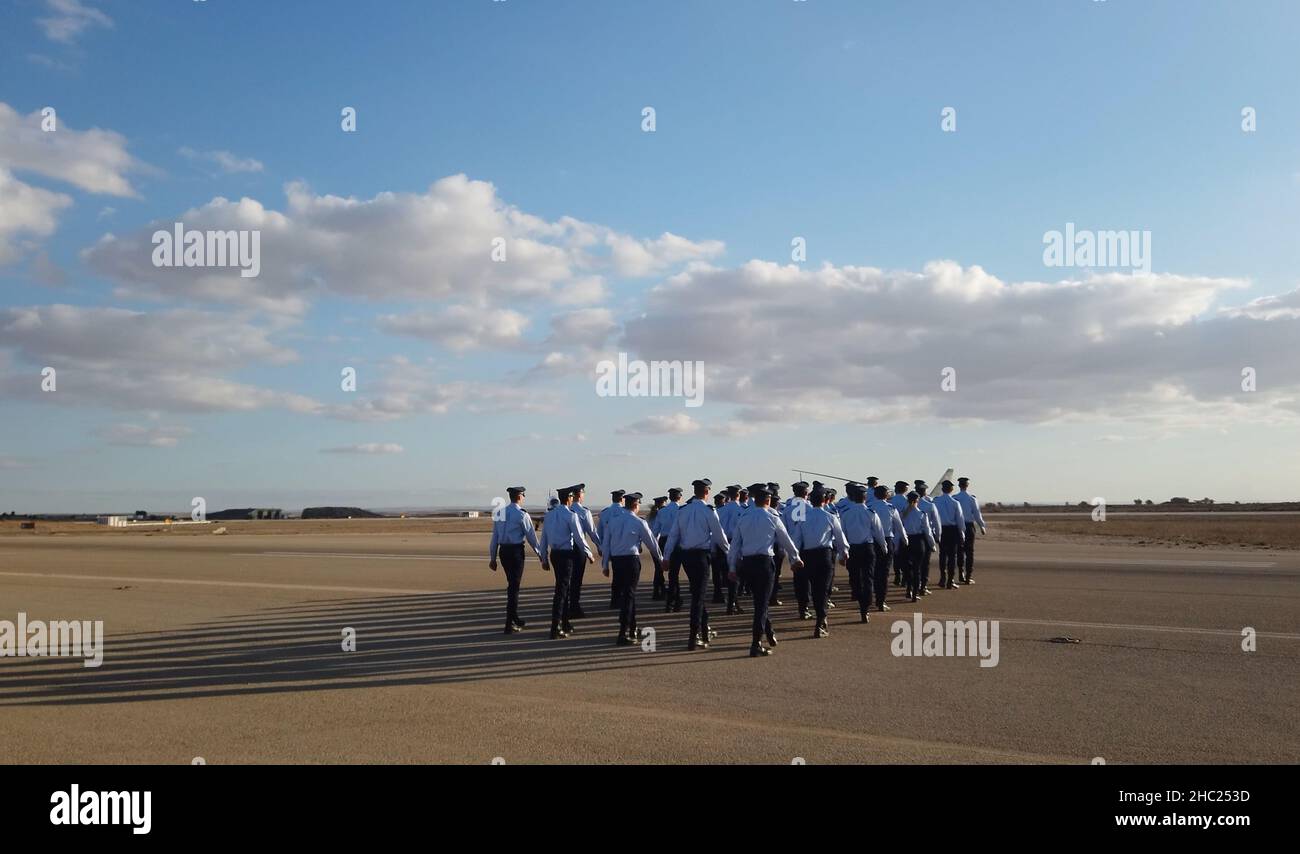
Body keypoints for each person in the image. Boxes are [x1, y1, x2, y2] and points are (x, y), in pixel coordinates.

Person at [727, 484, 802, 657]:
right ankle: (755, 644)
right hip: (764, 563)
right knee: (761, 605)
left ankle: (768, 632)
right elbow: (785, 540)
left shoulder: (743, 517)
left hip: (747, 564)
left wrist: (732, 567)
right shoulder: (772, 517)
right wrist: (796, 558)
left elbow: (735, 545)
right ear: (768, 500)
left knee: (759, 602)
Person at [664, 478, 730, 650]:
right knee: (698, 597)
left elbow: (673, 535)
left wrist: (666, 556)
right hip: (701, 556)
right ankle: (694, 636)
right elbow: (719, 536)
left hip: (687, 557)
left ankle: (704, 629)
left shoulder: (683, 510)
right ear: (707, 492)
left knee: (697, 594)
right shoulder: (709, 511)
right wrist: (731, 554)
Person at [601, 492, 664, 646]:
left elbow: (606, 544)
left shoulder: (613, 521)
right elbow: (652, 544)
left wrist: (605, 565)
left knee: (628, 594)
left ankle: (632, 626)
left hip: (617, 561)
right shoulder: (638, 522)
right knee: (628, 595)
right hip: (631, 561)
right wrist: (661, 560)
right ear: (636, 505)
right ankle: (623, 631)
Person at [790, 486, 849, 638]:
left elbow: (796, 541)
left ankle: (819, 619)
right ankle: (821, 621)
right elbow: (840, 539)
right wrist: (844, 554)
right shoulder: (830, 517)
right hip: (824, 556)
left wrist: (794, 559)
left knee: (814, 588)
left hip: (808, 556)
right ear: (824, 500)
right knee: (821, 590)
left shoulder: (803, 518)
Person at [539, 485, 594, 639]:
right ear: (569, 498)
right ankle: (555, 627)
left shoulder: (549, 515)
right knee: (562, 591)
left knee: (563, 589)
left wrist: (543, 557)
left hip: (554, 555)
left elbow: (543, 538)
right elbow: (579, 537)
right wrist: (589, 553)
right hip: (566, 556)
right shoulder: (571, 515)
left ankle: (565, 623)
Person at [488, 486, 543, 634]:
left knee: (512, 584)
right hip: (515, 552)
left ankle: (515, 617)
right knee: (514, 587)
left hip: (503, 552)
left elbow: (494, 538)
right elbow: (531, 537)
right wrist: (541, 555)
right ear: (520, 496)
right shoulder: (522, 515)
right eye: (523, 496)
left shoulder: (500, 513)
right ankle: (508, 624)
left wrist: (493, 558)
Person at [839, 482, 883, 622]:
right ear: (865, 498)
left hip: (853, 548)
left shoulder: (846, 513)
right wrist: (883, 546)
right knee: (868, 578)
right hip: (867, 548)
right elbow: (879, 532)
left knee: (855, 578)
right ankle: (865, 607)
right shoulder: (870, 513)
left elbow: (842, 534)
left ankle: (859, 600)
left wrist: (842, 552)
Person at [868, 485, 907, 611]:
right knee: (883, 573)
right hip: (887, 540)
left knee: (872, 571)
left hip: (872, 542)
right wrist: (904, 539)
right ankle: (881, 600)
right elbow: (899, 526)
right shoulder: (891, 508)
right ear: (886, 495)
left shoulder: (869, 507)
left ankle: (871, 597)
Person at [569, 485, 602, 619]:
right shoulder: (583, 512)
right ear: (579, 495)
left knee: (566, 580)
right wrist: (600, 546)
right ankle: (574, 607)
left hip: (565, 549)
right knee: (576, 580)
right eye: (583, 493)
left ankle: (566, 606)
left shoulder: (566, 509)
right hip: (578, 549)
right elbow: (592, 532)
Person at [898, 492, 936, 602]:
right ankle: (914, 593)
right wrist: (932, 544)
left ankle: (909, 589)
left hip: (905, 542)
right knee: (917, 569)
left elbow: (898, 529)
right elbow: (928, 531)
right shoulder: (922, 514)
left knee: (907, 569)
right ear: (917, 501)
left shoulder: (902, 514)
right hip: (918, 542)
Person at [932, 480, 966, 589]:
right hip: (953, 531)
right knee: (952, 556)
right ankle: (950, 580)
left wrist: (935, 533)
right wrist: (962, 533)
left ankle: (943, 577)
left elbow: (933, 519)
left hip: (942, 530)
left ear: (942, 489)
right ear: (951, 489)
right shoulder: (955, 503)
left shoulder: (936, 501)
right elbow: (960, 520)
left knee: (943, 555)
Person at [953, 477, 988, 584]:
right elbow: (977, 515)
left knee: (959, 551)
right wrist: (982, 526)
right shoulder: (972, 499)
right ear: (967, 485)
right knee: (969, 552)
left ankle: (961, 574)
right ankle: (968, 576)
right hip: (968, 527)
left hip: (957, 527)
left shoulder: (954, 498)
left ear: (959, 485)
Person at [654, 487, 683, 602]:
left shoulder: (661, 511)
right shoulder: (682, 510)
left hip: (664, 540)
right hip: (678, 542)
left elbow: (655, 531)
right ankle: (674, 597)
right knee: (674, 572)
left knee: (662, 569)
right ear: (680, 497)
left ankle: (664, 594)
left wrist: (654, 546)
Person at [711, 492, 731, 604]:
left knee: (717, 572)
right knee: (727, 570)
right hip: (726, 542)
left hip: (717, 544)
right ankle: (730, 596)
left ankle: (717, 593)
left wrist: (713, 548)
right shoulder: (727, 511)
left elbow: (714, 533)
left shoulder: (715, 511)